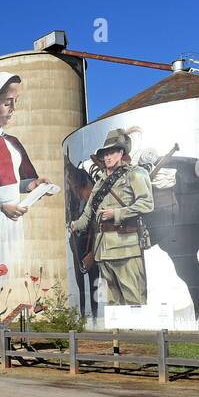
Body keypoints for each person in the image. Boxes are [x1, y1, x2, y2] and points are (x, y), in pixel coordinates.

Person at [0, 72, 50, 286]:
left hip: (16, 214)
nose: (12, 108)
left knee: (17, 265)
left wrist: (35, 184)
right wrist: (2, 207)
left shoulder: (13, 141)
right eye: (7, 103)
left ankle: (19, 310)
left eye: (15, 102)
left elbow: (19, 181)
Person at [67, 128, 154, 305]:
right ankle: (119, 333)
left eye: (112, 152)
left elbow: (146, 203)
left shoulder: (135, 174)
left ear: (121, 152)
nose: (108, 157)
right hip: (103, 251)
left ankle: (137, 333)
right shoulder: (99, 183)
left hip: (126, 247)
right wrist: (75, 225)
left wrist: (117, 213)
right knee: (113, 305)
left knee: (133, 299)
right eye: (105, 153)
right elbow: (88, 213)